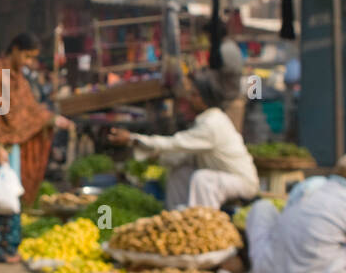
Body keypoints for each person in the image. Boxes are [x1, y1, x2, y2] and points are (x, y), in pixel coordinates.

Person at [0, 33, 73, 263]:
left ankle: (9, 246)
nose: (29, 62)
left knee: (10, 195)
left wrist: (52, 119)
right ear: (16, 49)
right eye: (27, 56)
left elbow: (29, 109)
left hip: (11, 146)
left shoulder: (18, 77)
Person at [108, 70, 258, 210]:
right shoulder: (206, 120)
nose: (189, 99)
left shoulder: (212, 124)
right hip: (223, 178)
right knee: (180, 172)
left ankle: (202, 224)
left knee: (203, 179)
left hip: (242, 183)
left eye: (194, 95)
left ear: (205, 99)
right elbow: (182, 154)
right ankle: (177, 216)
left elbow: (175, 143)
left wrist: (134, 139)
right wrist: (156, 157)